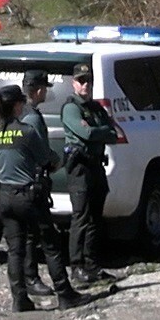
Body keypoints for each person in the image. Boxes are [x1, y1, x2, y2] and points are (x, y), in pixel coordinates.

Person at [0, 79, 84, 312]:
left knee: (15, 250)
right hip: (28, 197)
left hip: (5, 196)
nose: (23, 107)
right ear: (15, 106)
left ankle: (19, 299)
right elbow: (48, 161)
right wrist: (64, 157)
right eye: (21, 104)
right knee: (50, 244)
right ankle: (65, 294)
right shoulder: (26, 132)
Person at [60, 62, 121, 286]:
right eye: (81, 81)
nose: (85, 85)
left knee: (96, 218)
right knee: (81, 217)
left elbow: (113, 133)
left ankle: (92, 264)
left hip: (96, 165)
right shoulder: (71, 107)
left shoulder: (95, 108)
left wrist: (98, 131)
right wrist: (98, 131)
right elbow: (84, 132)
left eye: (88, 81)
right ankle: (76, 267)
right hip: (80, 167)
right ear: (73, 83)